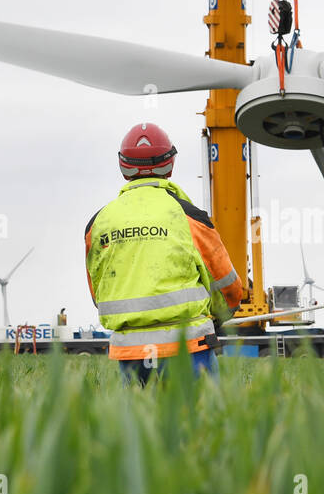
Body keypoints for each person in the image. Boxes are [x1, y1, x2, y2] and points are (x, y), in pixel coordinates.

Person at [85, 123, 244, 385]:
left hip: (130, 353)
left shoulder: (98, 224)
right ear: (169, 164)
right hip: (189, 347)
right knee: (202, 422)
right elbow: (228, 287)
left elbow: (97, 293)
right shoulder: (190, 217)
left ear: (124, 166)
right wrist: (221, 317)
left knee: (139, 424)